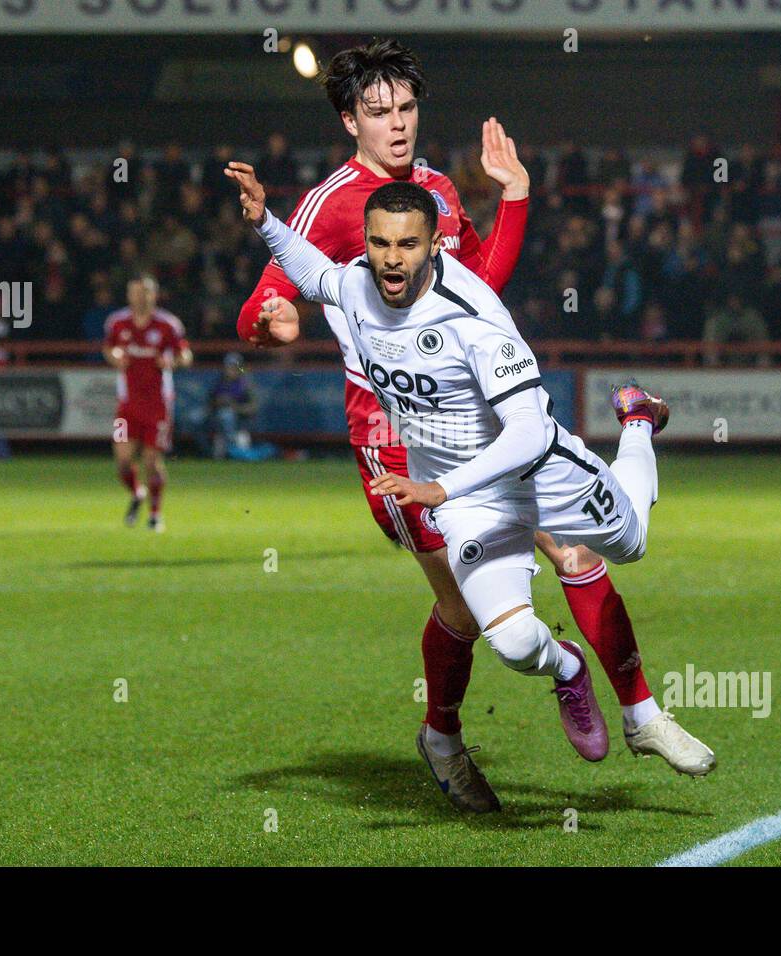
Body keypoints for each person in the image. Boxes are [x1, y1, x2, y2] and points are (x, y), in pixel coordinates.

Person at [232, 39, 688, 813]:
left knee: (576, 546)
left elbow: (483, 286)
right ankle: (442, 735)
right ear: (350, 121)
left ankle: (643, 713)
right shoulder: (331, 203)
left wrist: (514, 197)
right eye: (379, 113)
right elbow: (271, 292)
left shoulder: (437, 190)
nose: (398, 125)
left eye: (407, 108)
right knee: (463, 612)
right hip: (395, 437)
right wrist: (264, 323)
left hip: (475, 414)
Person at [102, 275, 192, 533]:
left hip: (158, 405)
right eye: (135, 292)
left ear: (154, 295)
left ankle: (155, 514)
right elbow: (108, 349)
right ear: (129, 295)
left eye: (145, 292)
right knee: (121, 460)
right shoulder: (118, 322)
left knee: (152, 462)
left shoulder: (167, 325)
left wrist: (173, 362)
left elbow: (185, 354)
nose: (140, 297)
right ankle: (137, 493)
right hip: (126, 405)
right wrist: (114, 357)